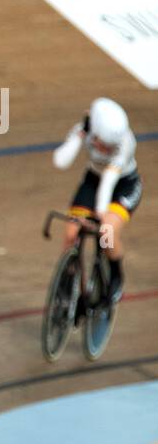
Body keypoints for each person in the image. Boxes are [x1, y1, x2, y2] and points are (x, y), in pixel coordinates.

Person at [52, 96, 142, 302]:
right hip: (93, 180)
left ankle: (116, 273)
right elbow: (60, 161)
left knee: (106, 232)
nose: (107, 150)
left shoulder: (126, 142)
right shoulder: (86, 130)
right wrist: (77, 137)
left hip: (123, 184)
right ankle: (70, 283)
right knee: (71, 232)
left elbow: (110, 180)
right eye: (104, 145)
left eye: (111, 147)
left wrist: (100, 214)